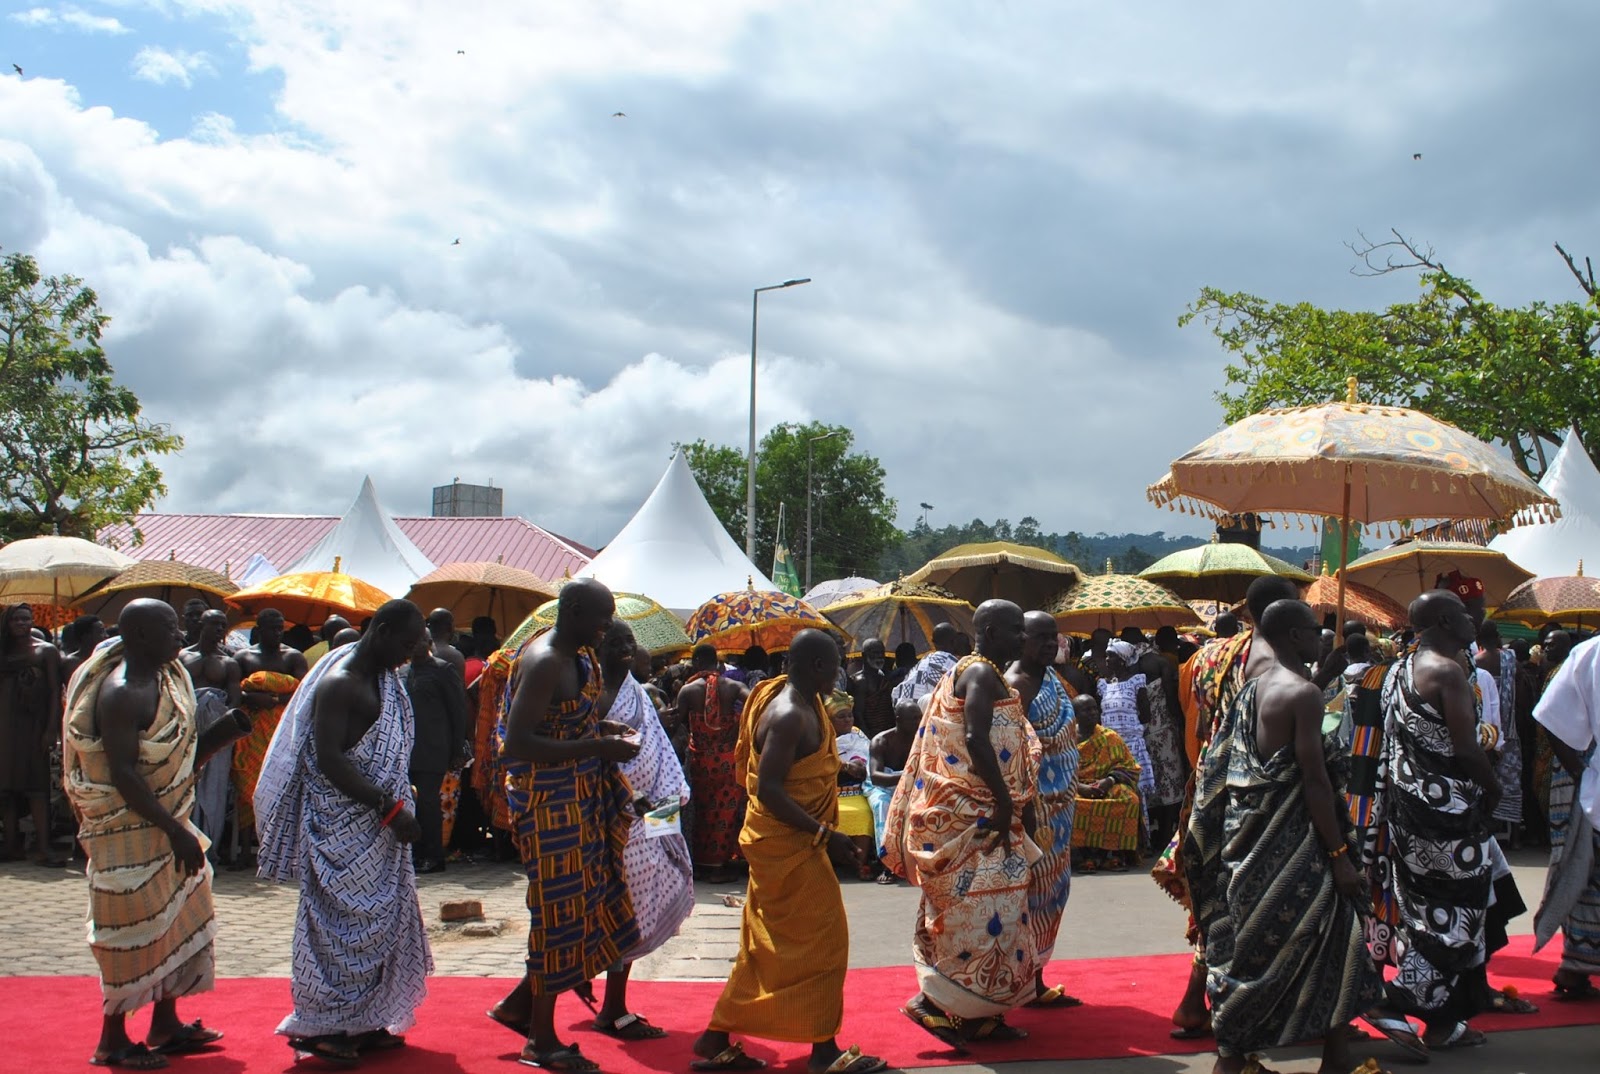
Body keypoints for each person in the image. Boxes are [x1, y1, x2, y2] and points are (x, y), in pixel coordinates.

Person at [1184, 598, 1383, 1074]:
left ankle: (1316, 1057)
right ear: (1295, 635)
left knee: (1258, 947)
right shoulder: (1303, 694)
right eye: (1315, 630)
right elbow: (1315, 781)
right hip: (1295, 845)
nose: (1321, 638)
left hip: (1246, 843)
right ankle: (1285, 1059)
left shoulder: (1254, 688)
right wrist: (1339, 854)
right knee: (1334, 937)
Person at [64, 599, 252, 1070]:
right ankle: (112, 1040)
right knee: (129, 931)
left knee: (180, 918)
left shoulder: (171, 679)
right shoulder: (122, 692)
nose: (180, 635)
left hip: (171, 823)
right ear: (141, 636)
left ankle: (165, 1025)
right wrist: (174, 831)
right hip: (129, 829)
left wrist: (216, 739)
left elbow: (175, 760)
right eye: (170, 628)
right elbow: (125, 774)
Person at [692, 629, 885, 1074]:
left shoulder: (805, 701)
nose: (839, 675)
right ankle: (823, 1053)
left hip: (792, 841)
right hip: (788, 843)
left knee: (764, 947)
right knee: (825, 942)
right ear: (817, 666)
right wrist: (824, 834)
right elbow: (771, 790)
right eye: (835, 666)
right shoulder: (788, 714)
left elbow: (803, 770)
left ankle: (716, 1037)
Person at [254, 599, 432, 1064]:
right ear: (382, 631)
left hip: (380, 831)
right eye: (407, 644)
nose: (410, 655)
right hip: (342, 827)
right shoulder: (341, 683)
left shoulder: (385, 680)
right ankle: (323, 1026)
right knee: (336, 930)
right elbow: (330, 759)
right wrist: (388, 807)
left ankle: (365, 1019)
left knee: (380, 924)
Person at [488, 578, 641, 1072]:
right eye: (601, 617)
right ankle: (540, 1041)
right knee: (556, 918)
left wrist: (603, 730)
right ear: (571, 609)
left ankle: (519, 1007)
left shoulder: (583, 658)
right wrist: (598, 746)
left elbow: (567, 722)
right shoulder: (545, 661)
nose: (606, 627)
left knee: (584, 909)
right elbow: (518, 743)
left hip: (581, 800)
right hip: (548, 805)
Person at [883, 599, 1041, 1046]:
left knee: (985, 914)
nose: (1023, 638)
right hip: (978, 818)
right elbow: (974, 737)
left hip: (980, 815)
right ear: (990, 633)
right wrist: (1005, 804)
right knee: (977, 916)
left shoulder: (974, 672)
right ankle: (932, 1004)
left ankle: (976, 1015)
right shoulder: (980, 673)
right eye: (1016, 629)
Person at [1153, 574, 1302, 1041]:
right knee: (1254, 905)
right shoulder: (1278, 664)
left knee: (1216, 901)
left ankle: (1198, 1002)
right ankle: (1235, 1009)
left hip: (1207, 790)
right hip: (1256, 798)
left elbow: (1192, 722)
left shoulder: (1207, 657)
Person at [1366, 590, 1499, 1051]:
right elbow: (1466, 749)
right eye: (1463, 614)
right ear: (1444, 621)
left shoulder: (1400, 669)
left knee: (1425, 916)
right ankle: (1392, 1001)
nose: (1472, 621)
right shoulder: (1447, 671)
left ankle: (1443, 1024)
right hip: (1447, 815)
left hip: (1407, 811)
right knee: (1460, 916)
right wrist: (1495, 788)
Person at [589, 620, 694, 1039]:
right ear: (598, 647)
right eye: (614, 641)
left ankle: (612, 1004)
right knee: (611, 911)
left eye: (629, 640)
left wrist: (662, 811)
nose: (624, 647)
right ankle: (609, 1009)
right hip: (606, 816)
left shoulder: (638, 693)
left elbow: (659, 752)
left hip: (651, 813)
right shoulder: (590, 694)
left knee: (638, 904)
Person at [1006, 610, 1082, 1008]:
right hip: (1034, 810)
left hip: (1061, 807)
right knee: (1029, 895)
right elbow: (1013, 753)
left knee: (1053, 891)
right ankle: (1023, 983)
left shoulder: (1052, 678)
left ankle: (1034, 978)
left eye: (1055, 637)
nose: (1052, 644)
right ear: (1021, 639)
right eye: (1041, 637)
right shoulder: (1015, 685)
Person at [1531, 635, 1600, 998]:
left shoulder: (1588, 652)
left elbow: (1550, 715)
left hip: (1583, 774)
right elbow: (1550, 717)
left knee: (1584, 872)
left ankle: (1576, 965)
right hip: (1585, 775)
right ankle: (1575, 965)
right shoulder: (1590, 652)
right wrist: (1580, 772)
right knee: (1581, 870)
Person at [678, 644, 751, 883]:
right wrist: (738, 723)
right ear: (717, 663)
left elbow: (677, 723)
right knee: (725, 812)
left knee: (701, 811)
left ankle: (701, 864)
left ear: (697, 662)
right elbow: (755, 703)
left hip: (700, 761)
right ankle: (719, 866)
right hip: (728, 762)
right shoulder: (733, 686)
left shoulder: (687, 690)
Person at [233, 609, 307, 840]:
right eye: (272, 629)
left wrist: (274, 699)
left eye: (280, 628)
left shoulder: (293, 657)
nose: (277, 633)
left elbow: (303, 693)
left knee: (280, 781)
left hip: (281, 730)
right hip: (252, 731)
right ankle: (245, 845)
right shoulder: (243, 657)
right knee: (247, 784)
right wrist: (249, 698)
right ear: (259, 630)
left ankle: (277, 841)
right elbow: (232, 692)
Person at [1, 603, 63, 864]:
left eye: (26, 619)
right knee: (5, 788)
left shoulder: (45, 651)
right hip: (4, 726)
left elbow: (54, 691)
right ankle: (11, 845)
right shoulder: (3, 651)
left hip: (33, 726)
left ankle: (44, 847)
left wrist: (51, 728)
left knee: (37, 787)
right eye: (16, 619)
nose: (21, 623)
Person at [403, 629, 468, 874]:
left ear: (429, 642)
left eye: (420, 640)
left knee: (428, 802)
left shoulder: (443, 670)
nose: (414, 645)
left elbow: (457, 711)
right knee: (410, 801)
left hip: (434, 748)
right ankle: (415, 853)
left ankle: (434, 855)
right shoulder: (403, 672)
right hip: (408, 749)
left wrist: (457, 749)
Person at [179, 610, 243, 858]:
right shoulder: (182, 657)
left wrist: (221, 728)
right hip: (184, 727)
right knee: (181, 781)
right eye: (214, 624)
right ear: (200, 623)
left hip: (215, 727)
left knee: (214, 787)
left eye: (223, 625)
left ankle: (208, 847)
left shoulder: (229, 663)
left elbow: (234, 701)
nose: (219, 629)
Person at [1070, 695, 1142, 872]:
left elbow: (1129, 766)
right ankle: (1085, 857)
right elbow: (1058, 770)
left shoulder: (1110, 737)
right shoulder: (1066, 739)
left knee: (1129, 799)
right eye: (1087, 710)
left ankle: (1113, 855)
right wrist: (1081, 787)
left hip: (1106, 784)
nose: (1093, 713)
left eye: (1095, 708)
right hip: (1076, 786)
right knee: (1071, 803)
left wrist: (1109, 780)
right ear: (1075, 715)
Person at [1096, 640, 1155, 821]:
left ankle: (1138, 832)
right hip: (1109, 747)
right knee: (1112, 792)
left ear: (1122, 660)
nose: (1107, 659)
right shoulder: (1103, 685)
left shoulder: (1136, 681)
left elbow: (1145, 714)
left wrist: (1130, 731)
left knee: (1134, 792)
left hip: (1132, 747)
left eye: (1111, 656)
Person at [1138, 645, 1188, 849]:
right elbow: (1171, 698)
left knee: (1151, 783)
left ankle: (1154, 832)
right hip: (1164, 729)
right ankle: (1167, 832)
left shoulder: (1129, 668)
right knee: (1170, 780)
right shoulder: (1161, 663)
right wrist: (1180, 720)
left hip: (1141, 733)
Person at [865, 699, 919, 882]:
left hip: (910, 784)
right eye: (913, 718)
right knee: (882, 805)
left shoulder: (922, 739)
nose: (918, 722)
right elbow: (876, 777)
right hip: (882, 787)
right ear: (898, 719)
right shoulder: (881, 741)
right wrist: (907, 776)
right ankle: (887, 864)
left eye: (919, 717)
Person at [827, 689, 876, 880]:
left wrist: (860, 768)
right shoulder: (823, 738)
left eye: (850, 715)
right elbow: (819, 764)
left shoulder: (858, 735)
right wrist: (844, 766)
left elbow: (867, 761)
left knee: (863, 813)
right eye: (841, 717)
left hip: (857, 790)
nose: (847, 720)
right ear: (830, 720)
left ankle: (860, 863)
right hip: (830, 792)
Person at [889, 622, 962, 705]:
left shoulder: (923, 663)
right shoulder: (956, 666)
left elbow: (900, 694)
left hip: (910, 710)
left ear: (933, 642)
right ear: (954, 641)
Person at [848, 638, 895, 737]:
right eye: (875, 653)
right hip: (870, 735)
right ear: (864, 655)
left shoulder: (883, 677)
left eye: (882, 652)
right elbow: (858, 715)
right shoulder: (860, 681)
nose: (880, 656)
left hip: (887, 732)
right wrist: (868, 738)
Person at [61, 614, 107, 684]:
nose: (106, 636)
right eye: (101, 632)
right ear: (86, 636)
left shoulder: (106, 657)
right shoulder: (71, 663)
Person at [426, 608, 467, 681]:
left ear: (428, 626)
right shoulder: (455, 656)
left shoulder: (420, 651)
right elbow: (459, 686)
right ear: (450, 627)